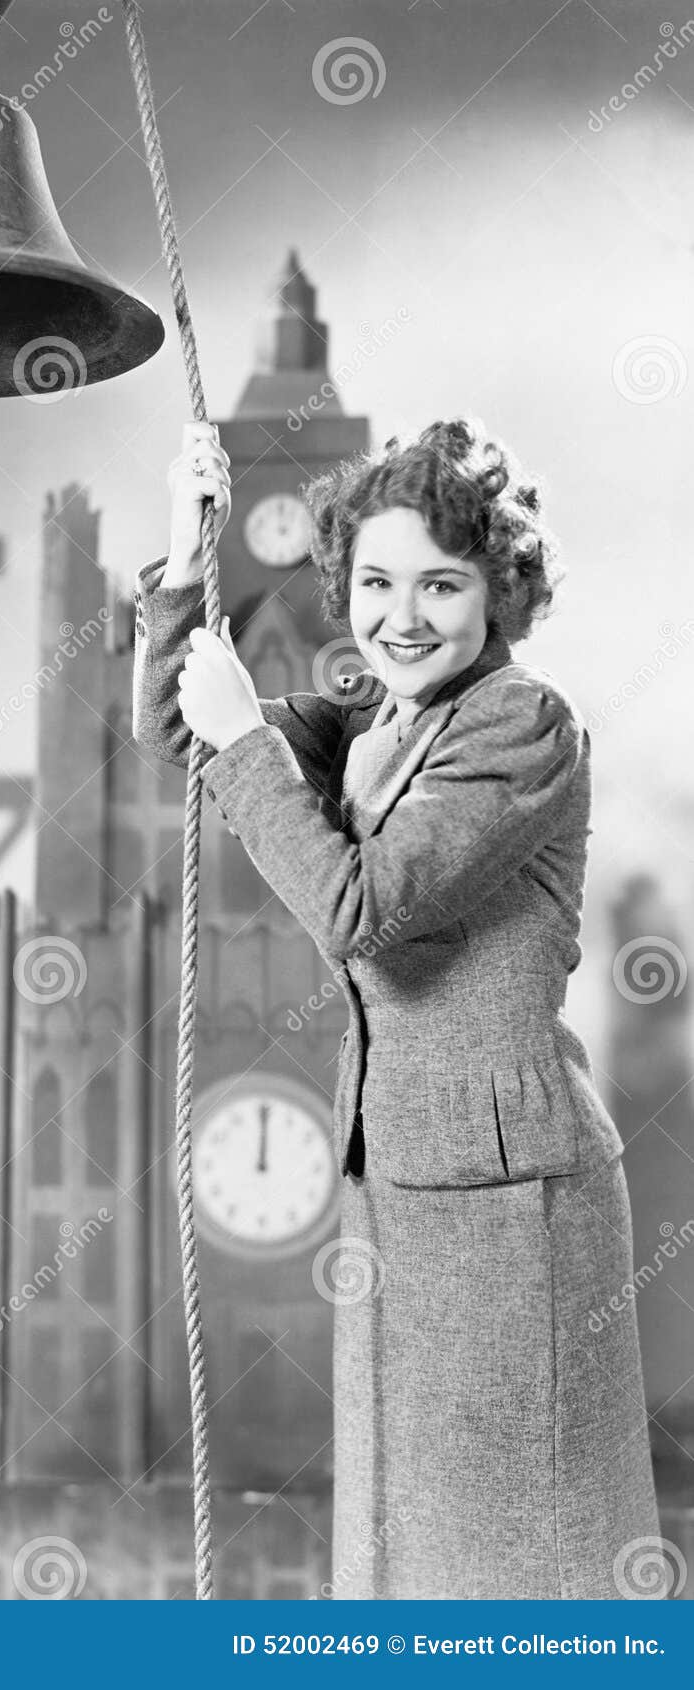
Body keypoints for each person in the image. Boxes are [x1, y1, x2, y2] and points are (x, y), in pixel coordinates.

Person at [130, 416, 662, 1599]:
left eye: (440, 582)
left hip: (508, 1195)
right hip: (405, 1181)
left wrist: (242, 742)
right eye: (374, 581)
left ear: (499, 591)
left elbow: (364, 909)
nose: (401, 616)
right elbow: (175, 729)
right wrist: (183, 554)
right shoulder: (374, 726)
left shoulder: (518, 727)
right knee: (408, 1543)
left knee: (519, 1551)